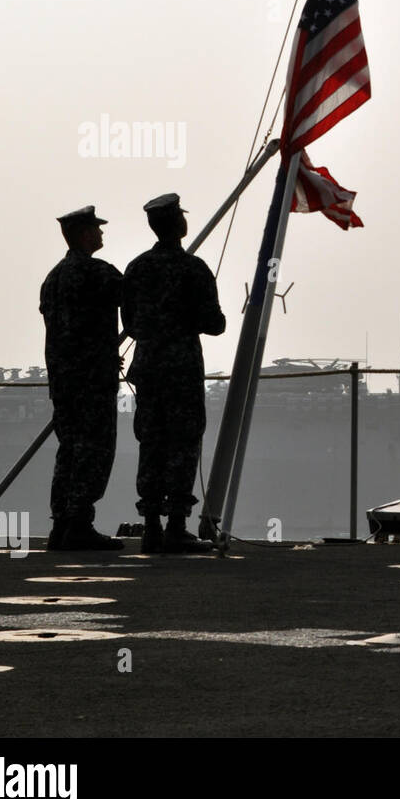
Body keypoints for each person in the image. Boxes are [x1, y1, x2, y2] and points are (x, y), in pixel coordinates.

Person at [122, 194, 225, 553]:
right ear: (178, 224)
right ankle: (177, 526)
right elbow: (215, 324)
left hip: (148, 369)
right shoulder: (193, 269)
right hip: (182, 369)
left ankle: (151, 526)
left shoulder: (135, 269)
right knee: (183, 443)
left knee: (150, 443)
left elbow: (131, 325)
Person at [39, 205, 124, 550]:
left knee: (69, 450)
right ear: (85, 234)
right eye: (97, 229)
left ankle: (61, 524)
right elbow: (137, 303)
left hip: (63, 380)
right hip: (93, 379)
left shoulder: (53, 278)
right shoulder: (98, 273)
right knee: (94, 449)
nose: (102, 234)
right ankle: (79, 523)